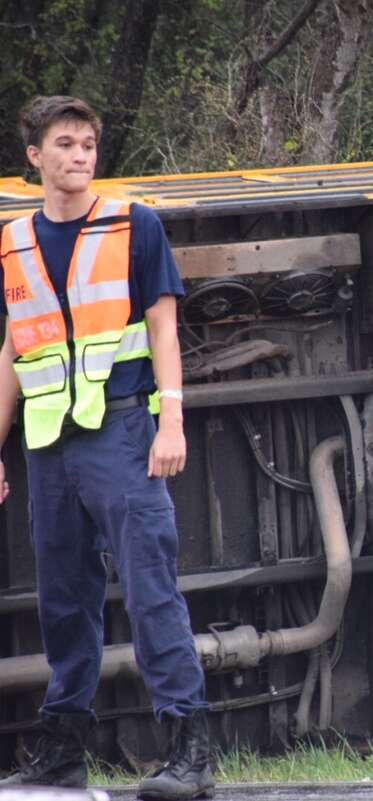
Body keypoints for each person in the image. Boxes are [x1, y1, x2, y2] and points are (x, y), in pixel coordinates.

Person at [0, 96, 212, 800]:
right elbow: (13, 348)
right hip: (48, 447)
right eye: (65, 144)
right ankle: (62, 748)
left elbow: (164, 329)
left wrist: (172, 422)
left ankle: (190, 746)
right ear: (34, 156)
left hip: (122, 431)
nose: (80, 156)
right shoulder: (14, 241)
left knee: (150, 587)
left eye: (88, 144)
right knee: (63, 599)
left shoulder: (135, 225)